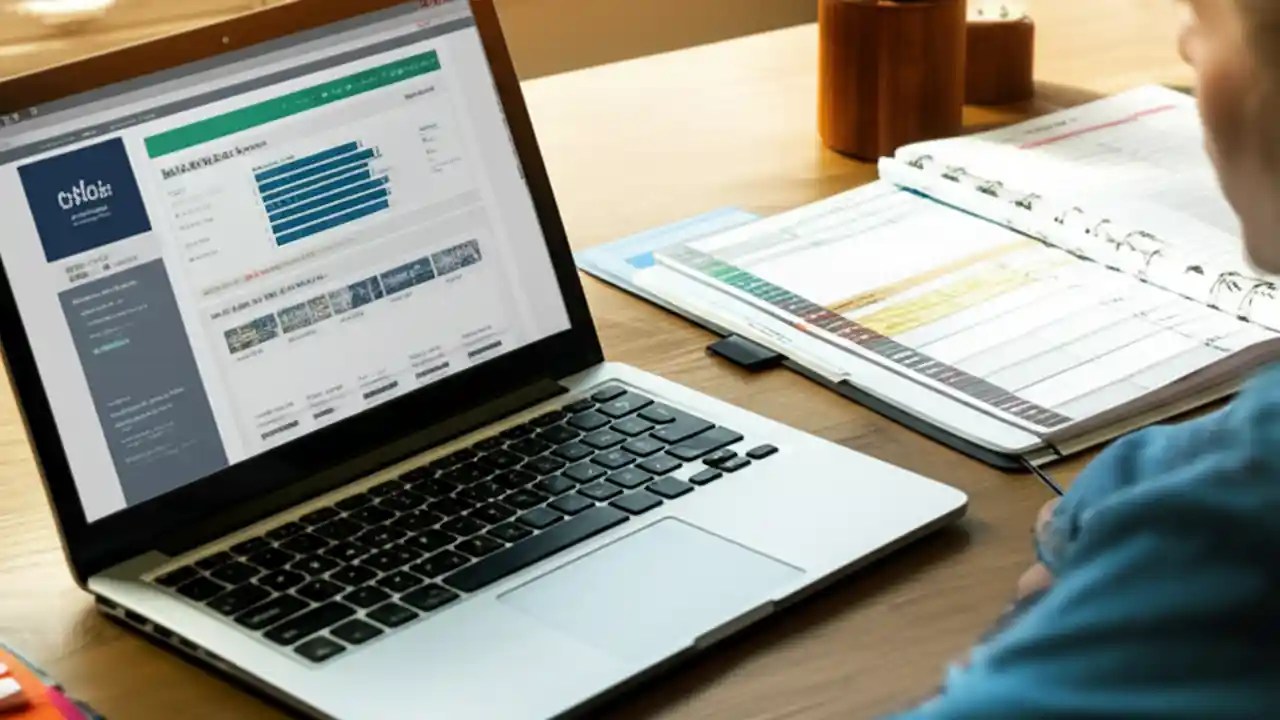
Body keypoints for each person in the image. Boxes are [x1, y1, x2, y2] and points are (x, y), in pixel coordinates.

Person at [892, 2, 1280, 717]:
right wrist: (1098, 514)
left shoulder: (1239, 534)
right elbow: (1218, 448)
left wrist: (1031, 636)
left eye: (1208, 17)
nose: (1189, 48)